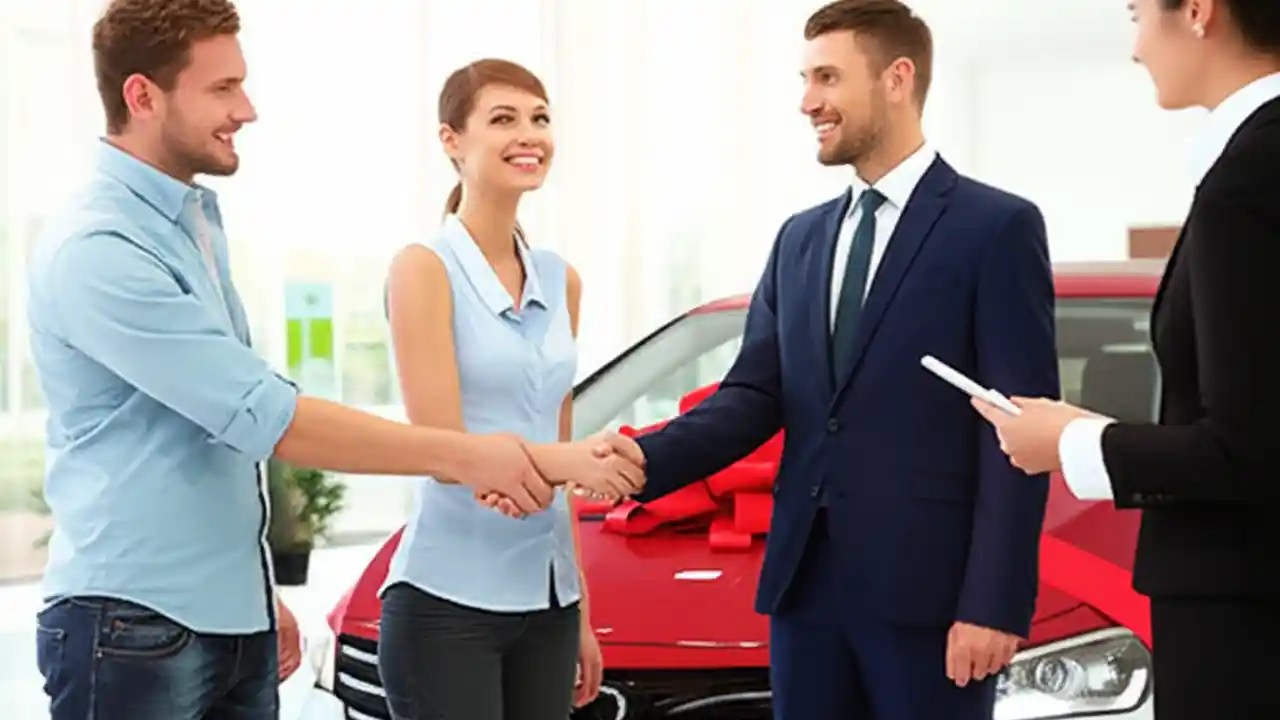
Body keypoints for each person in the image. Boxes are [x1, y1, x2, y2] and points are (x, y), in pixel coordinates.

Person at [25, 2, 639, 719]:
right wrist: (489, 458)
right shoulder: (100, 249)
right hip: (131, 625)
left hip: (224, 622)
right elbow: (267, 418)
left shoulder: (190, 224)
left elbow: (207, 444)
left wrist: (253, 594)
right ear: (142, 96)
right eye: (223, 88)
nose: (247, 109)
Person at [599, 1, 1060, 718]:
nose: (807, 100)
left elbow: (1015, 432)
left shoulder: (995, 228)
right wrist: (636, 462)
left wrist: (995, 604)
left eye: (827, 77)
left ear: (897, 79)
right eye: (804, 78)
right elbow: (752, 395)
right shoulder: (800, 239)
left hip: (931, 602)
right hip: (805, 592)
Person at [972, 0, 1280, 717]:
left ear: (1199, 11)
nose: (1136, 46)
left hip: (1244, 618)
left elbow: (1251, 447)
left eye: (1138, 13)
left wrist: (1071, 442)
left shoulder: (1251, 178)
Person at [374, 58, 635, 720]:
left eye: (540, 118)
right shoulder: (423, 268)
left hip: (545, 604)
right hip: (447, 602)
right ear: (451, 141)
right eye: (503, 119)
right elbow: (444, 446)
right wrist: (577, 464)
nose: (530, 134)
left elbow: (556, 433)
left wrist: (577, 609)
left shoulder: (560, 278)